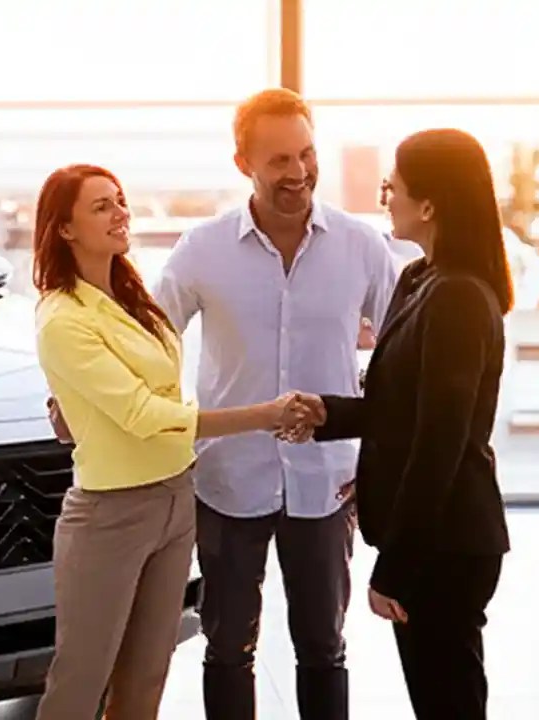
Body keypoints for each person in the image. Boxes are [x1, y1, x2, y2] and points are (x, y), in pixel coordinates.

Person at [31, 163, 321, 720]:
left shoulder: (130, 294)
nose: (120, 213)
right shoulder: (62, 317)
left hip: (172, 498)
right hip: (110, 514)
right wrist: (263, 415)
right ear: (64, 229)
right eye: (100, 206)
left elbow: (136, 385)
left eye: (119, 199)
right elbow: (144, 414)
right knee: (80, 682)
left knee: (146, 678)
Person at [154, 88, 397, 720]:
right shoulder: (201, 250)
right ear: (244, 164)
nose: (298, 173)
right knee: (227, 647)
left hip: (327, 484)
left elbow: (407, 354)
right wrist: (82, 396)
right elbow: (148, 341)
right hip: (229, 480)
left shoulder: (360, 245)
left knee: (324, 647)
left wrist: (378, 455)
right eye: (279, 160)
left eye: (307, 154)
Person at [308, 128, 515, 720]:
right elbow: (402, 407)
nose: (384, 198)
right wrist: (327, 413)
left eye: (391, 186)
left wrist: (395, 564)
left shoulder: (458, 298)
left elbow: (440, 444)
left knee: (448, 700)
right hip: (433, 537)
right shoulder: (419, 279)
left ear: (429, 204)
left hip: (447, 544)